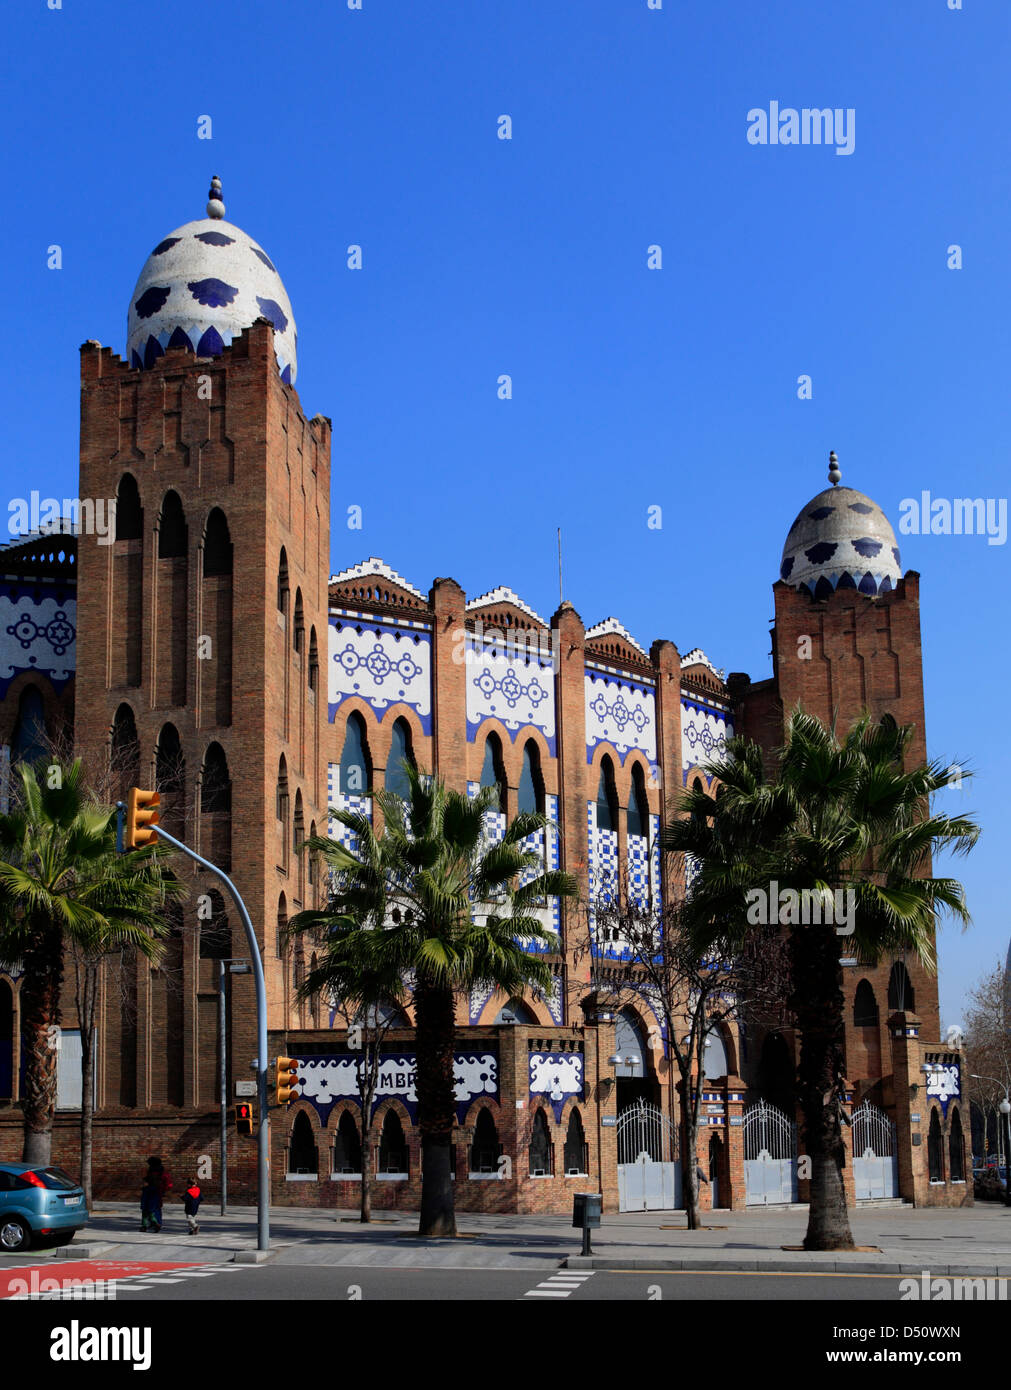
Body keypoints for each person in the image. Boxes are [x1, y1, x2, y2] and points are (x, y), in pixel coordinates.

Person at [139, 1156, 172, 1232]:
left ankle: (149, 1223)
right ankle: (157, 1223)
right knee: (156, 1208)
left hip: (150, 1191)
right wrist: (165, 1189)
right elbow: (168, 1183)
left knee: (147, 1208)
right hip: (158, 1191)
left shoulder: (150, 1172)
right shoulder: (162, 1172)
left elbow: (146, 1181)